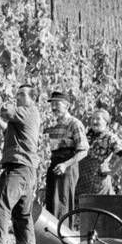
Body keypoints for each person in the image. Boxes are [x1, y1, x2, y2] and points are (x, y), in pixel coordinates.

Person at [0, 82, 42, 244]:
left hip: (19, 167)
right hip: (27, 169)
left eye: (22, 95)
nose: (18, 97)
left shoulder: (27, 112)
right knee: (22, 214)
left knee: (1, 203)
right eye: (17, 94)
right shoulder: (29, 116)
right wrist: (1, 124)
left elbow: (4, 109)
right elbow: (16, 134)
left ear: (33, 99)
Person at [43, 90, 88, 223]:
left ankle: (63, 236)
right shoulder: (50, 125)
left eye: (57, 104)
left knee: (63, 202)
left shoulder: (74, 124)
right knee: (51, 200)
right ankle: (50, 237)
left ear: (67, 106)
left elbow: (83, 150)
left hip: (67, 167)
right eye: (52, 104)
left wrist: (65, 165)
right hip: (52, 164)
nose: (54, 107)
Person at [78, 102, 122, 202]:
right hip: (82, 180)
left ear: (106, 122)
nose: (94, 121)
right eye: (92, 119)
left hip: (98, 181)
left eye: (98, 119)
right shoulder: (86, 135)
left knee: (96, 208)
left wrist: (112, 171)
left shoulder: (110, 138)